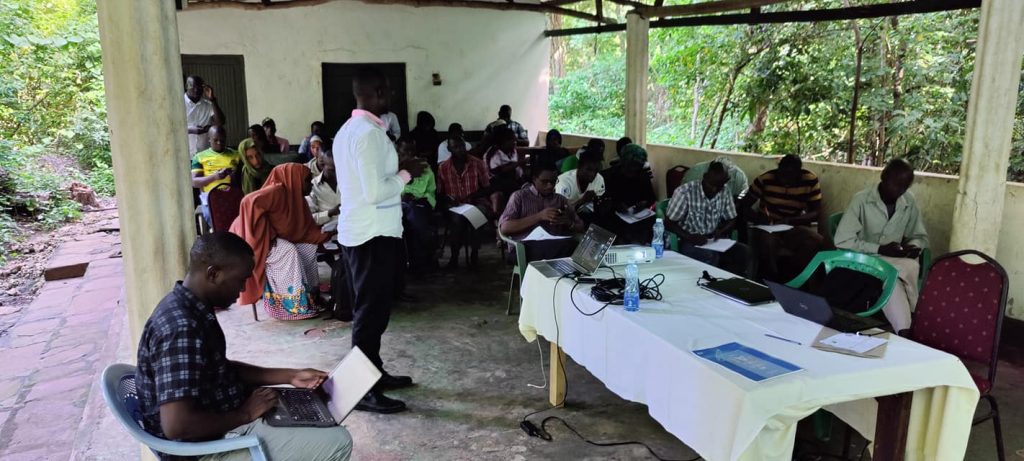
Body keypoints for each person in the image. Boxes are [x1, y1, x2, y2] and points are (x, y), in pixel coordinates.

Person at [136, 232, 352, 461]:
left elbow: (219, 368)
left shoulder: (193, 305)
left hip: (221, 414)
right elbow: (177, 426)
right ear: (213, 274)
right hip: (201, 450)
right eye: (240, 280)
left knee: (313, 414)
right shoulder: (180, 328)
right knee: (337, 441)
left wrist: (290, 375)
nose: (242, 289)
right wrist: (245, 413)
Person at [332, 66, 425, 414]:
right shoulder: (368, 134)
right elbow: (374, 192)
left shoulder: (351, 129)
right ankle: (363, 390)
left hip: (366, 232)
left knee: (374, 311)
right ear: (373, 93)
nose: (390, 96)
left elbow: (360, 181)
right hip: (372, 234)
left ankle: (373, 372)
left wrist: (397, 166)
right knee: (370, 314)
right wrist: (406, 173)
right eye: (385, 90)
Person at [834, 159, 928, 333]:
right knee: (911, 266)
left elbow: (918, 235)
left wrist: (913, 247)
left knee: (893, 282)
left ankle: (904, 331)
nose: (900, 191)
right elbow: (842, 241)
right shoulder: (861, 200)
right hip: (863, 258)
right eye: (896, 184)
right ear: (883, 177)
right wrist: (879, 249)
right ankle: (918, 312)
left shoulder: (908, 201)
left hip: (892, 262)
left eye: (905, 186)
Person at [230, 163, 329, 320]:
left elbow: (304, 231)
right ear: (294, 179)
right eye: (306, 180)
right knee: (288, 251)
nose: (310, 184)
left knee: (309, 247)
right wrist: (262, 234)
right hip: (255, 239)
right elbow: (248, 202)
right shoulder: (277, 190)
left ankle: (310, 297)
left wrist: (328, 233)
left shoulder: (296, 197)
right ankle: (289, 307)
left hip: (272, 237)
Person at [741, 154, 827, 281]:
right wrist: (759, 218)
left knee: (818, 241)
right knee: (768, 243)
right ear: (778, 170)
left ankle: (800, 279)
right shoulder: (765, 179)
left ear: (799, 174)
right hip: (769, 226)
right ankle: (772, 279)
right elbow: (744, 206)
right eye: (783, 176)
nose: (786, 181)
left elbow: (816, 212)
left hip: (795, 225)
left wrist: (790, 221)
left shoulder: (810, 179)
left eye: (791, 178)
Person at [665, 161, 752, 277]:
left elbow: (732, 219)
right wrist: (689, 237)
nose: (714, 189)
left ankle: (730, 284)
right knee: (709, 255)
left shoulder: (725, 191)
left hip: (713, 240)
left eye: (719, 186)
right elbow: (669, 222)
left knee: (745, 252)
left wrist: (721, 231)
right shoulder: (685, 192)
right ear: (705, 177)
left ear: (725, 182)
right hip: (689, 240)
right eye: (711, 184)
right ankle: (710, 285)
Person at [499, 163, 584, 263]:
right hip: (524, 246)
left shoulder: (560, 200)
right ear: (534, 179)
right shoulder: (519, 197)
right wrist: (539, 216)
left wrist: (568, 222)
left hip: (556, 244)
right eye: (544, 182)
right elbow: (505, 228)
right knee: (566, 249)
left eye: (553, 182)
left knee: (576, 246)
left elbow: (581, 227)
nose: (550, 186)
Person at [438, 138, 493, 269]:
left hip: (475, 202)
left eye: (462, 146)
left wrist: (473, 196)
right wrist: (449, 200)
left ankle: (474, 254)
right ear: (449, 149)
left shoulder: (478, 163)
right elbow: (440, 193)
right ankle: (454, 256)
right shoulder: (443, 168)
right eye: (455, 147)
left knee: (477, 214)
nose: (460, 150)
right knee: (456, 219)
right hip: (455, 206)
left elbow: (488, 187)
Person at [596, 143, 656, 244]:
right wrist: (616, 205)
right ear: (623, 164)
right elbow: (600, 203)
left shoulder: (642, 176)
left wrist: (644, 203)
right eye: (631, 169)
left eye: (637, 169)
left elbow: (651, 198)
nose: (634, 173)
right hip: (614, 219)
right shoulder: (608, 177)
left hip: (638, 218)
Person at [397, 137, 437, 274]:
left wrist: (404, 192)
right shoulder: (397, 167)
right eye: (402, 153)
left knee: (417, 224)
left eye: (409, 152)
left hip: (422, 201)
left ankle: (422, 262)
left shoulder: (422, 166)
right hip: (403, 203)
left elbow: (419, 191)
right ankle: (403, 264)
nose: (406, 156)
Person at [191, 126, 240, 226]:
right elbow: (194, 182)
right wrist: (214, 177)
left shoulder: (236, 155)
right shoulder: (199, 157)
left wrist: (235, 174)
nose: (219, 143)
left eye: (222, 140)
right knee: (212, 217)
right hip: (211, 197)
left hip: (233, 195)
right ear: (209, 139)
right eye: (215, 140)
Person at [555, 148, 605, 220]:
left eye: (596, 170)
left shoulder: (599, 179)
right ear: (579, 167)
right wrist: (582, 201)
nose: (593, 174)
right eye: (589, 169)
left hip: (586, 216)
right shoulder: (564, 183)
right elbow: (559, 214)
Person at [184, 75, 225, 158]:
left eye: (200, 87)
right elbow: (170, 127)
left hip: (204, 155)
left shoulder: (208, 105)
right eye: (193, 87)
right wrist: (190, 130)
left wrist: (212, 99)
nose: (196, 90)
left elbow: (220, 122)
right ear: (186, 86)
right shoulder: (178, 104)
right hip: (184, 154)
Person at [486, 127, 524, 215]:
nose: (515, 142)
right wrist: (519, 163)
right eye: (512, 140)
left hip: (512, 180)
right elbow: (498, 172)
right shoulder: (494, 153)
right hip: (495, 182)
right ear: (503, 141)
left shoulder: (512, 151)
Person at [684, 156, 749, 199]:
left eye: (721, 185)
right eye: (712, 184)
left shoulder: (739, 176)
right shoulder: (695, 173)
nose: (714, 189)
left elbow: (741, 197)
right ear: (706, 176)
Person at [307, 154, 340, 233]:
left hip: (352, 230)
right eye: (332, 170)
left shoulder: (348, 181)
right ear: (323, 166)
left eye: (339, 169)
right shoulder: (312, 186)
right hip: (327, 234)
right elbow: (309, 219)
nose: (337, 174)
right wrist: (329, 213)